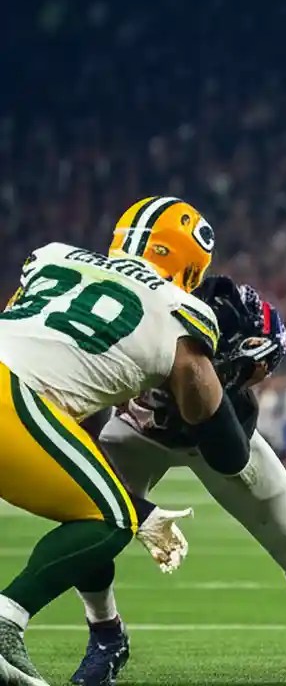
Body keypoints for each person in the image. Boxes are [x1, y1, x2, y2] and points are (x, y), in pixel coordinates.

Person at [68, 275, 286, 686]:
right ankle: (105, 634)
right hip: (135, 432)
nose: (256, 379)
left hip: (207, 440)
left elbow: (228, 456)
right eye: (256, 369)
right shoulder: (141, 336)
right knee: (87, 525)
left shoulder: (235, 403)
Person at [0, 196, 250, 685]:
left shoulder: (54, 258)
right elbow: (221, 445)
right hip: (13, 397)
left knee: (95, 507)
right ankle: (6, 624)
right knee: (110, 519)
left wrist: (144, 510)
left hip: (20, 393)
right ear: (191, 266)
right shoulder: (183, 309)